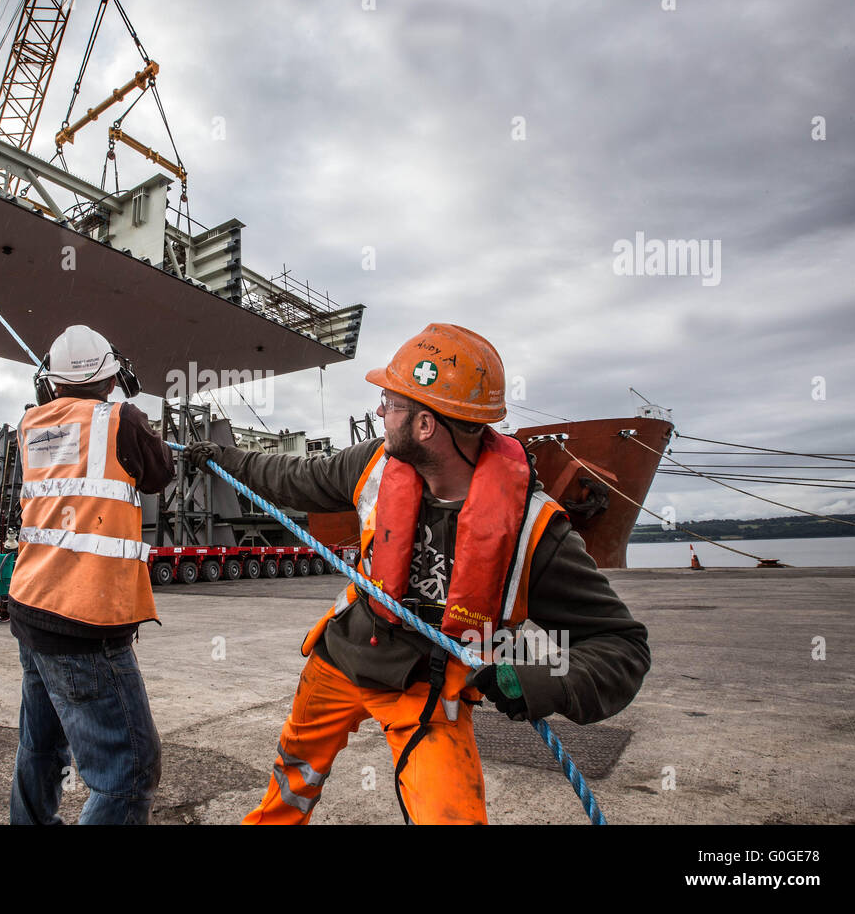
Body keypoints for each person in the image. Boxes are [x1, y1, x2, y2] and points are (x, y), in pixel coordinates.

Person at [187, 324, 650, 824]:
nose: (381, 412)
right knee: (292, 775)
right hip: (341, 658)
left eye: (389, 402)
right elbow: (294, 478)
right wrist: (224, 458)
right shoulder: (373, 465)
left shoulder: (533, 531)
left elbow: (621, 646)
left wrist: (540, 678)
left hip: (427, 690)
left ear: (426, 426)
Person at [7, 325, 174, 825]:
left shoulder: (30, 425)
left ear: (51, 383)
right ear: (112, 378)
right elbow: (159, 473)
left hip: (31, 607)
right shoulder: (122, 419)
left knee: (41, 747)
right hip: (87, 622)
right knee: (129, 771)